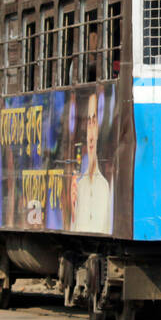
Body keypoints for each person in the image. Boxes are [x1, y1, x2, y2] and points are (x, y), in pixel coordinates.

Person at [71, 91, 112, 233]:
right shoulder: (80, 186)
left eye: (94, 122)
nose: (91, 135)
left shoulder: (105, 187)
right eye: (88, 123)